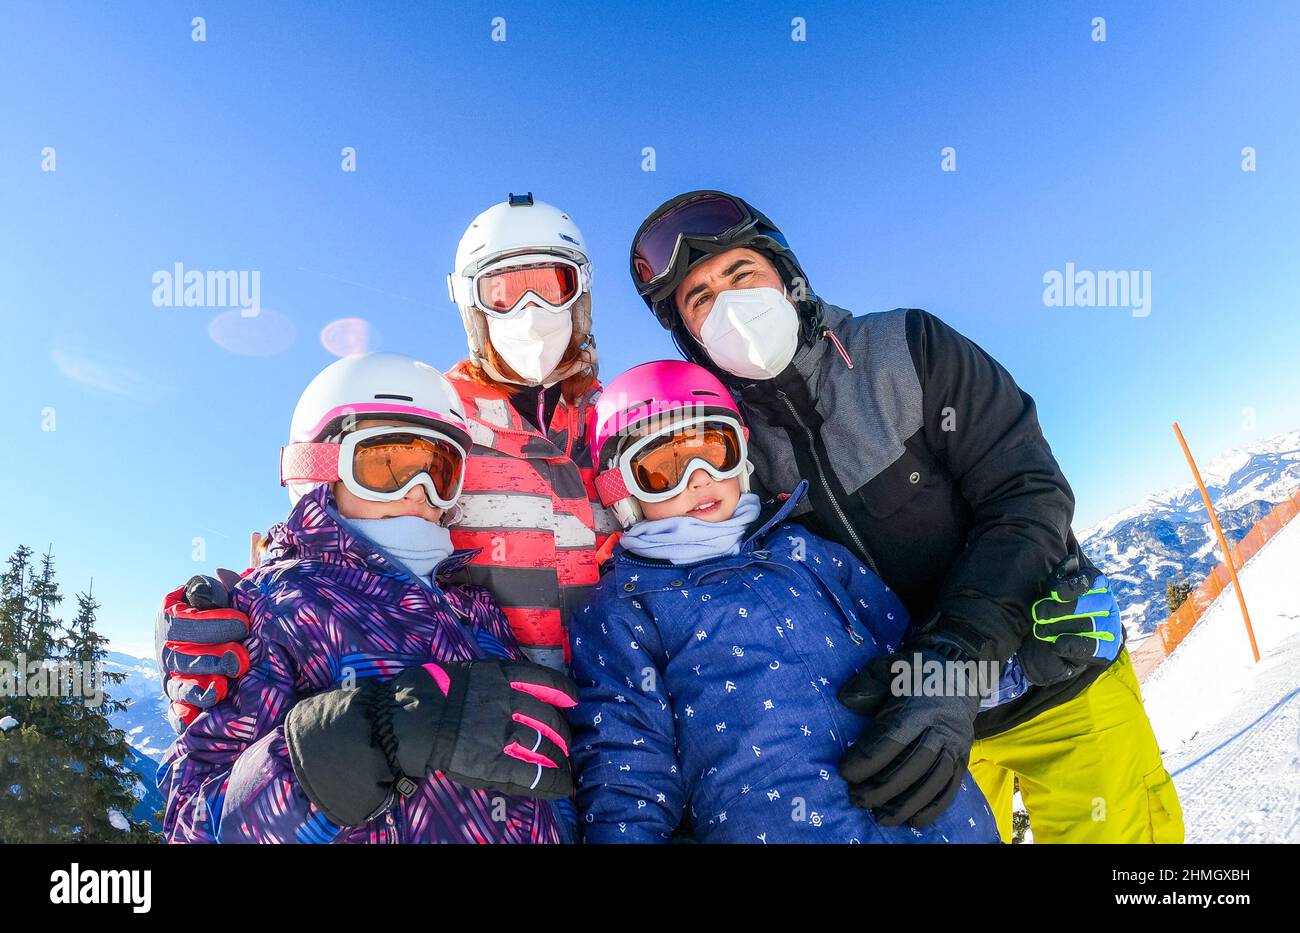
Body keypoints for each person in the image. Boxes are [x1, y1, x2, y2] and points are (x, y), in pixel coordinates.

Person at [627, 190, 1183, 843]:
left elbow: (1026, 492)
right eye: (701, 300)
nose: (729, 307)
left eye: (740, 275)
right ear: (689, 337)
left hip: (1052, 677)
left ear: (787, 274)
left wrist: (956, 666)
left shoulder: (906, 349)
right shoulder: (729, 458)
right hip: (920, 739)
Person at [156, 193, 619, 730]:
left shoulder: (618, 425)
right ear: (473, 306)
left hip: (619, 732)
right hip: (479, 721)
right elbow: (330, 526)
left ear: (580, 295)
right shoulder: (430, 416)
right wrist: (235, 621)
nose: (531, 313)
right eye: (505, 291)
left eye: (551, 286)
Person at [568, 360, 998, 843]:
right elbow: (627, 769)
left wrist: (1004, 672)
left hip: (938, 815)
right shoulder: (622, 609)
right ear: (621, 491)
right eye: (662, 469)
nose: (698, 478)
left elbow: (919, 653)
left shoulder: (805, 550)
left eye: (714, 449)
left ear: (742, 455)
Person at [160, 353, 578, 843]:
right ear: (318, 470)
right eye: (387, 465)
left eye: (438, 471)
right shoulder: (279, 609)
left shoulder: (478, 609)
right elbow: (198, 825)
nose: (419, 491)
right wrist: (362, 743)